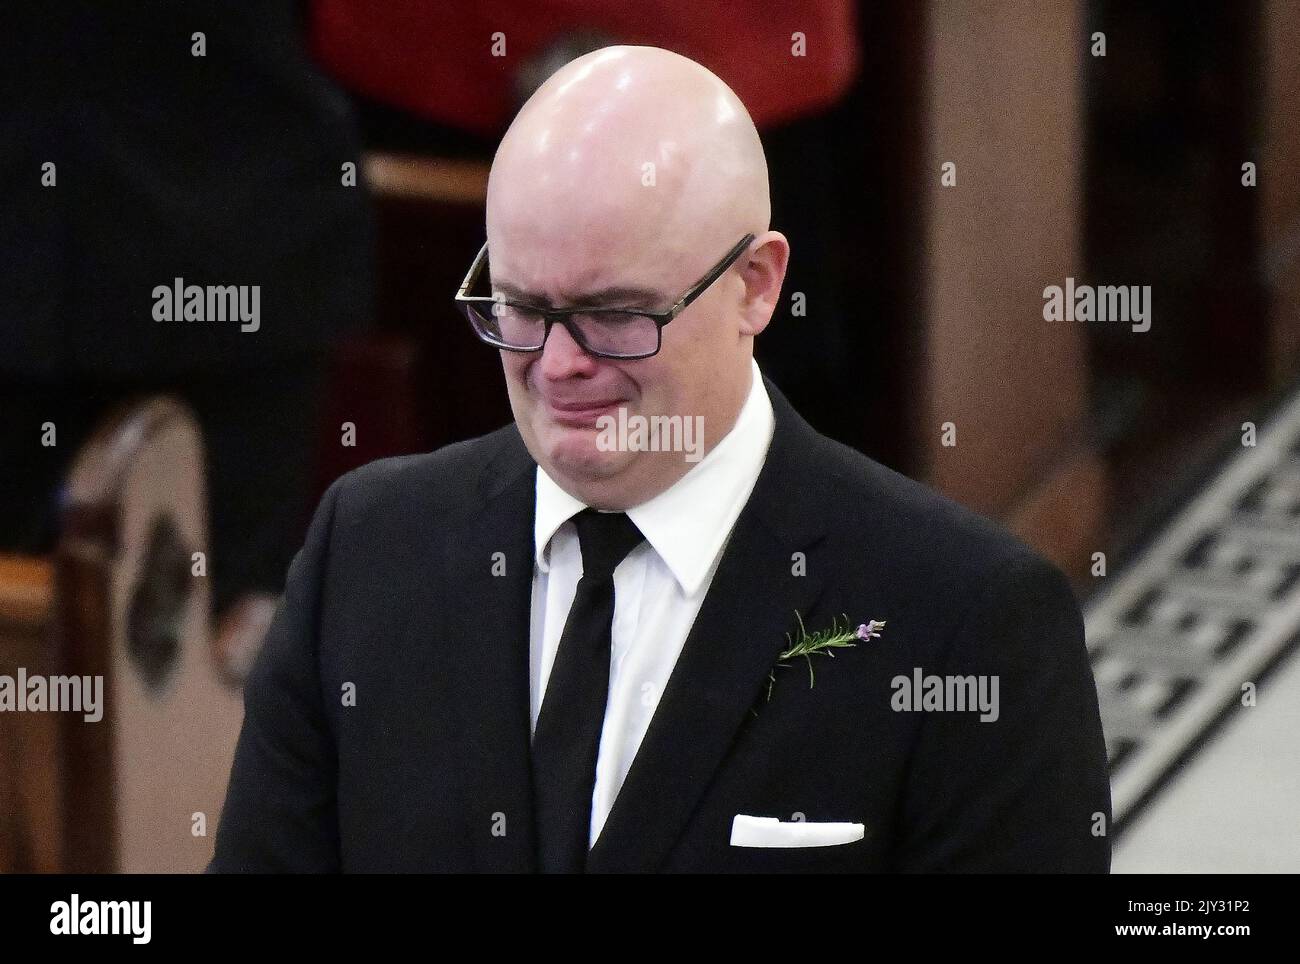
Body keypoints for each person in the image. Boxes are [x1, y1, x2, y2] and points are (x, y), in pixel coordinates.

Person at [210, 46, 1111, 873]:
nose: (559, 364)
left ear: (755, 284)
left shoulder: (968, 619)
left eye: (614, 314)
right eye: (520, 307)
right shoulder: (367, 551)